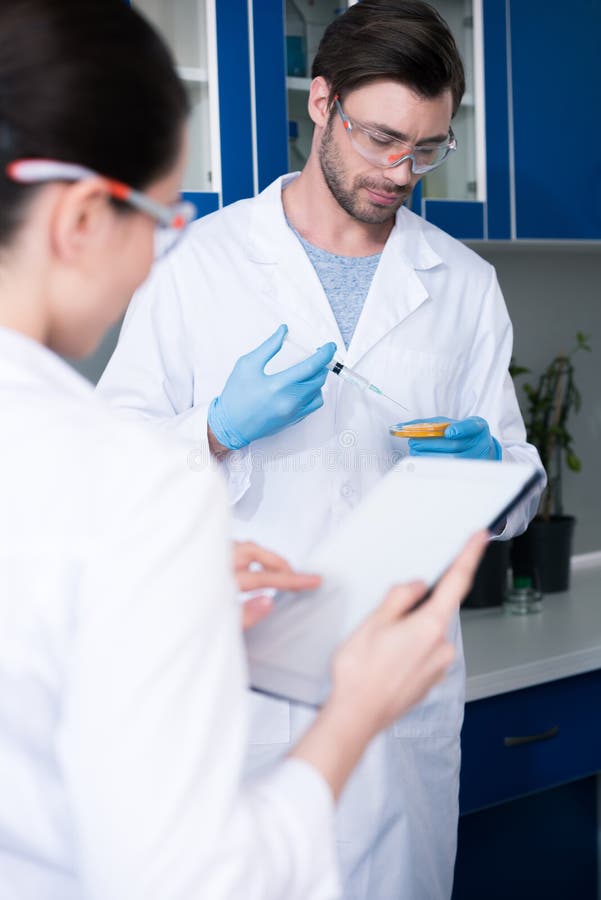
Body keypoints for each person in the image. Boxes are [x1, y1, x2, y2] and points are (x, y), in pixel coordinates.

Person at [0, 2, 489, 898]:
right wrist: (217, 430)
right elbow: (195, 874)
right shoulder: (202, 269)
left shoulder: (463, 282)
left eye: (425, 149)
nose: (399, 169)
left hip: (393, 697)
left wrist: (489, 470)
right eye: (381, 138)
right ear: (321, 102)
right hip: (256, 702)